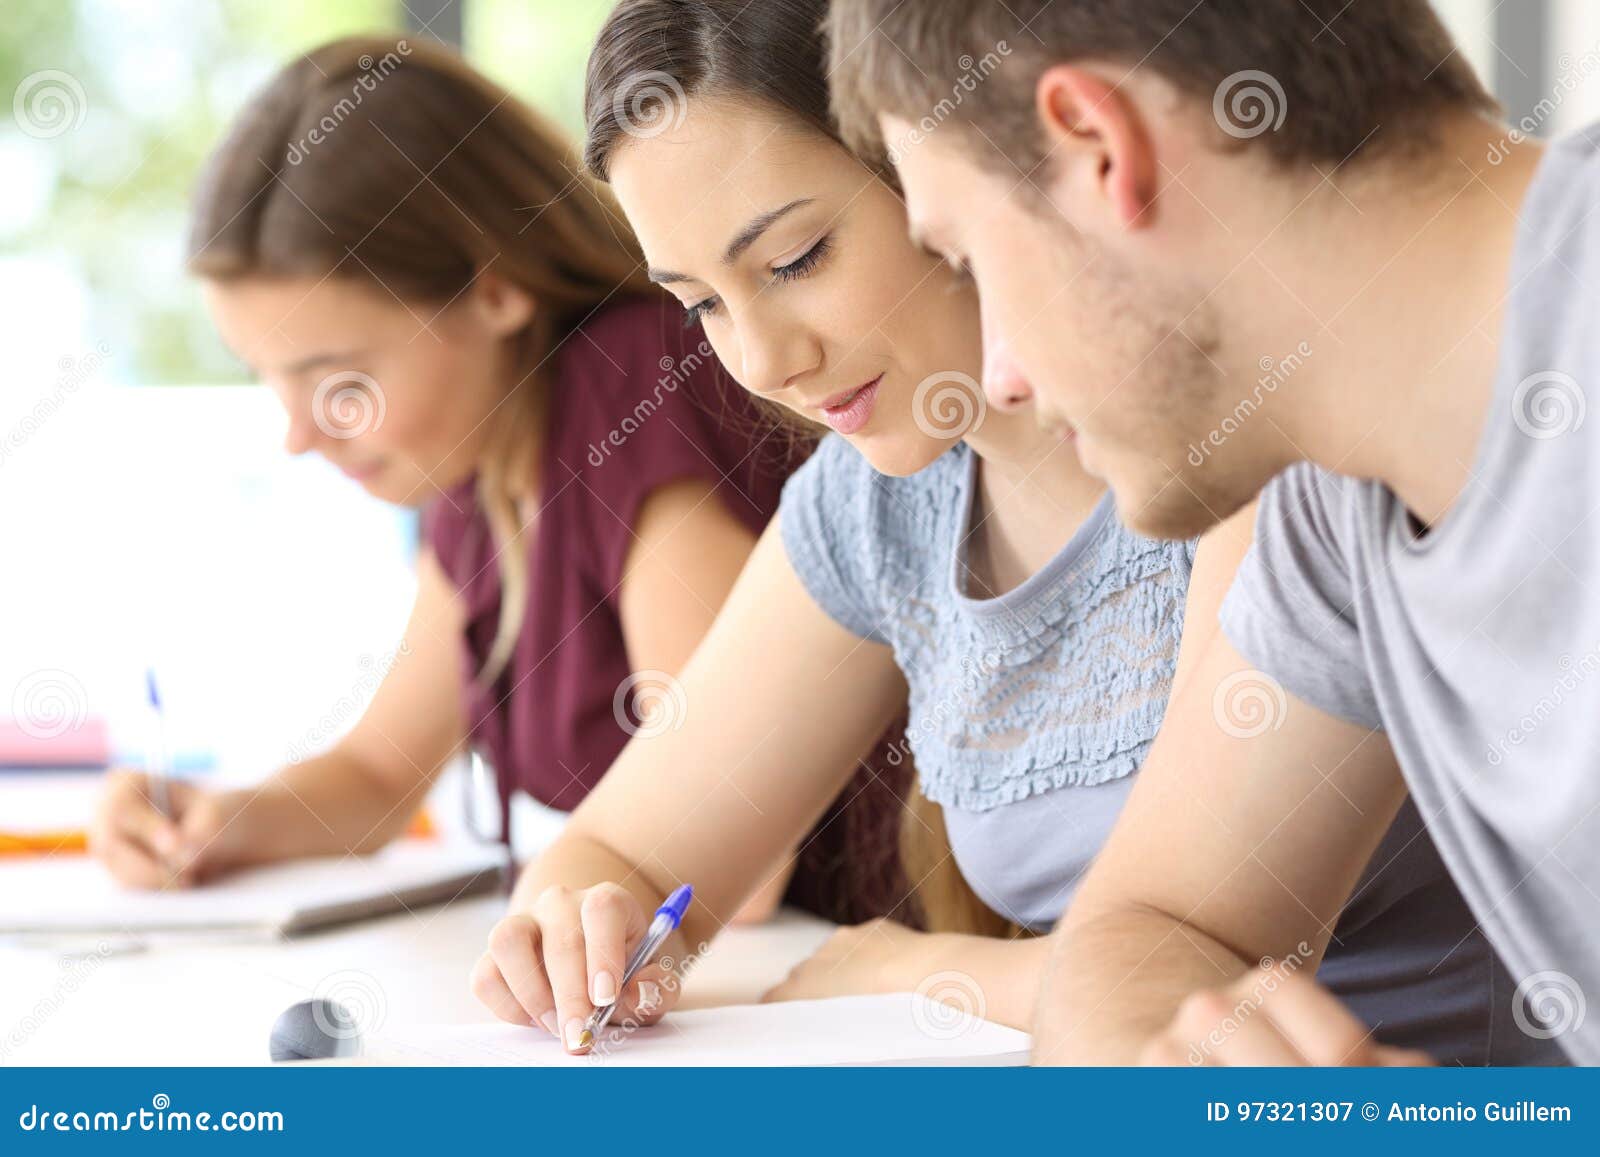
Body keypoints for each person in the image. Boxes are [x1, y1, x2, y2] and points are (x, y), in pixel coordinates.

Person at [464, 0, 1550, 1066]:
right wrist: (575, 927)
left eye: (796, 259)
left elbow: (1218, 972)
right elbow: (1165, 935)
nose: (758, 364)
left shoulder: (1262, 427)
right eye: (698, 302)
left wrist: (912, 970)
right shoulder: (888, 503)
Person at [827, 0, 1595, 1064]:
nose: (997, 372)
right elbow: (1158, 925)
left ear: (1101, 145)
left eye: (968, 259)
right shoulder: (1330, 490)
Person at [87, 34, 904, 927]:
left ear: (496, 288)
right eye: (267, 377)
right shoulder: (483, 468)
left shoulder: (633, 385)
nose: (295, 436)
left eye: (338, 380)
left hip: (850, 987)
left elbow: (729, 861)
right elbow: (378, 777)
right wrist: (213, 821)